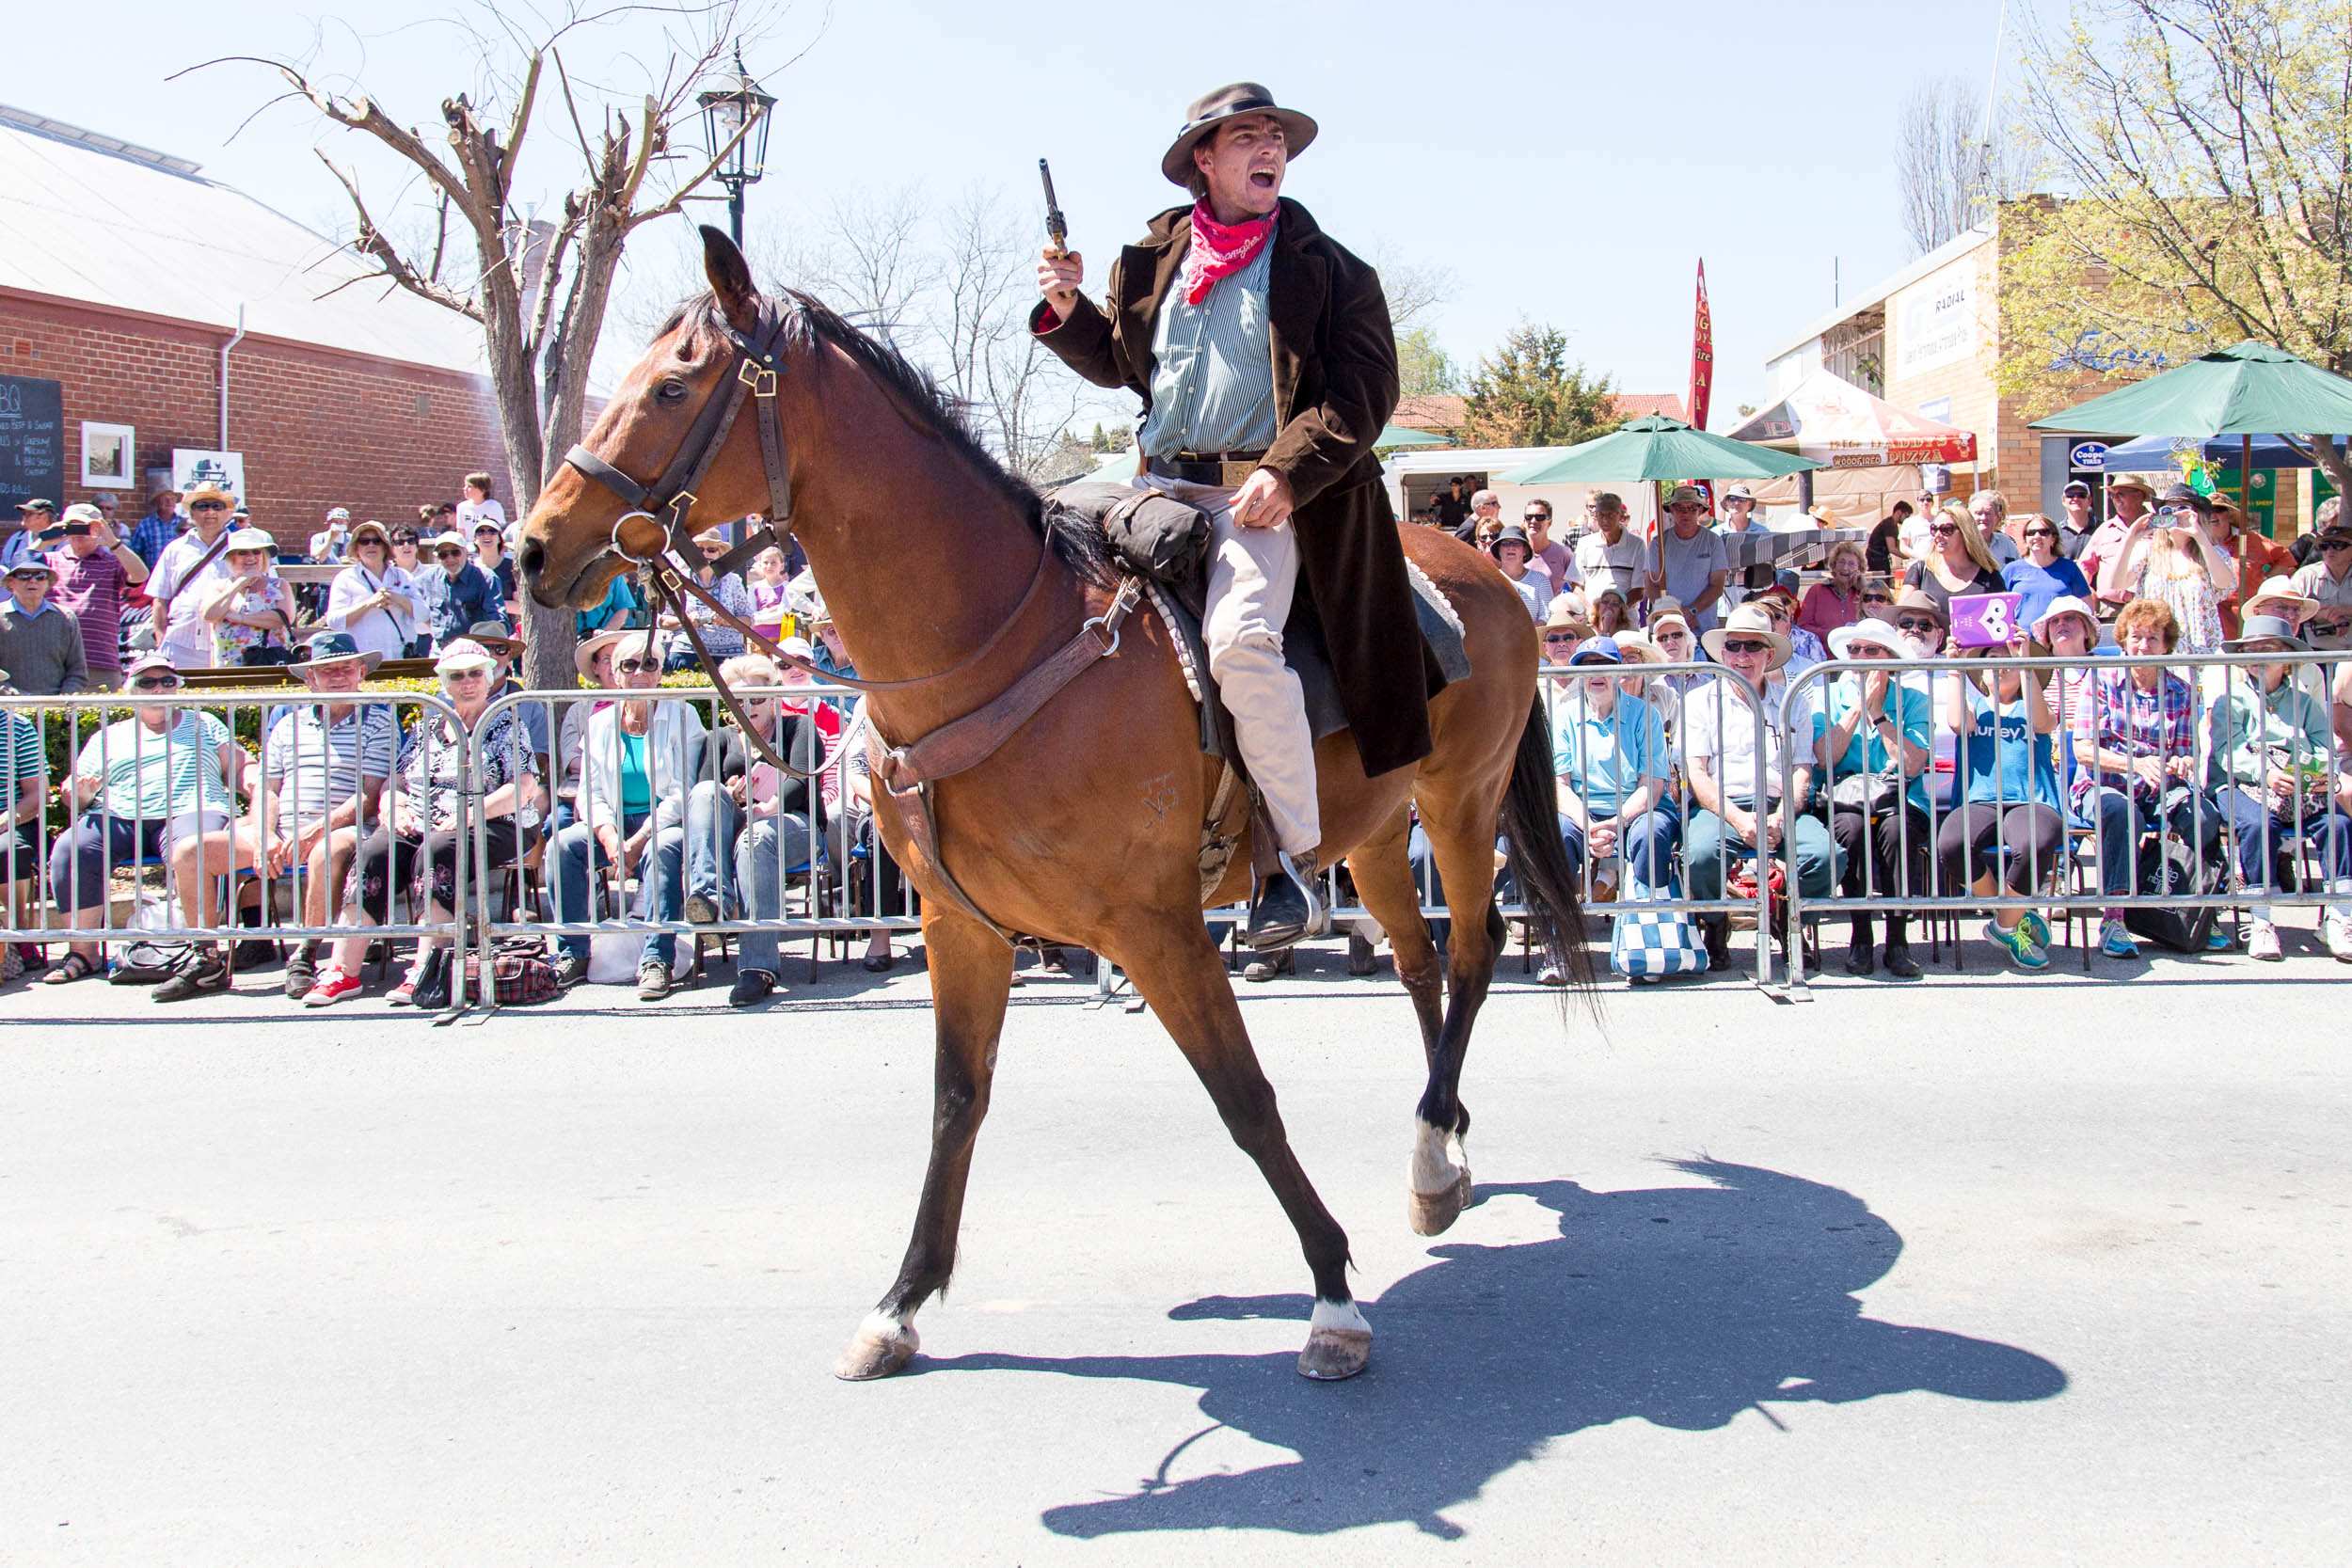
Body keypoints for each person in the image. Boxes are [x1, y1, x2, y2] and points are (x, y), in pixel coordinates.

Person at [1033, 80, 1424, 950]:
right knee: (1040, 564)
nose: (1269, 150)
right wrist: (1066, 313)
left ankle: (1290, 859)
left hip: (1265, 500)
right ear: (1202, 161)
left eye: (1275, 137)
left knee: (1241, 643)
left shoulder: (1335, 270)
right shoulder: (1148, 261)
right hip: (1155, 488)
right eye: (1246, 137)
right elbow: (1124, 368)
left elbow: (1366, 393)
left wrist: (1287, 474)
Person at [308, 641, 537, 1008]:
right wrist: (394, 807)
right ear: (445, 683)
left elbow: (523, 786)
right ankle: (342, 969)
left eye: (475, 673)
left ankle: (426, 965)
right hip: (422, 818)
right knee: (375, 851)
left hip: (492, 820)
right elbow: (395, 781)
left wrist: (467, 813)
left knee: (438, 851)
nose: (467, 683)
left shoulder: (506, 724)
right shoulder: (426, 728)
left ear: (489, 676)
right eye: (458, 676)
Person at [40, 652, 242, 989]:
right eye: (147, 682)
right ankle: (83, 952)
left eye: (167, 681)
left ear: (178, 686)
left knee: (197, 849)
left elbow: (237, 767)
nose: (158, 689)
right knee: (71, 848)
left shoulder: (205, 722)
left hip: (190, 808)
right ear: (130, 689)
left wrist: (257, 794)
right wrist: (80, 794)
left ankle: (203, 953)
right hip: (120, 813)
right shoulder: (109, 735)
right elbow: (75, 796)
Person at [240, 633, 401, 1000]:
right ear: (310, 678)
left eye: (346, 668)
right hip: (282, 826)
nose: (338, 676)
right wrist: (266, 834)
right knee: (193, 850)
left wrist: (313, 830)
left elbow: (369, 797)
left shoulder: (379, 722)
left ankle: (305, 953)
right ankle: (201, 955)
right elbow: (267, 788)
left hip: (349, 827)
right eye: (327, 670)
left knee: (324, 849)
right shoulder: (287, 724)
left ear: (361, 672)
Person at [548, 629, 706, 999]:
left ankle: (657, 959)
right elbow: (591, 792)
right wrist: (610, 837)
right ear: (614, 674)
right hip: (613, 824)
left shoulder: (683, 716)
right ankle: (572, 951)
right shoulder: (599, 723)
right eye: (629, 665)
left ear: (661, 672)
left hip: (663, 822)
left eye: (649, 664)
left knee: (663, 850)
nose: (639, 673)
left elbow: (682, 792)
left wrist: (637, 840)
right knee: (562, 846)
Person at [1680, 603, 1838, 969]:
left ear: (1769, 654)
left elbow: (1802, 769)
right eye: (1734, 646)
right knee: (1699, 855)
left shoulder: (1792, 700)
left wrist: (1781, 818)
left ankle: (1791, 920)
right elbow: (1698, 775)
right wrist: (1740, 821)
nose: (1741, 656)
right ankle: (1716, 926)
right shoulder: (1699, 702)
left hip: (1780, 805)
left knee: (1825, 856)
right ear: (1722, 653)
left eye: (1752, 647)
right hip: (1723, 805)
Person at [679, 652, 831, 1007]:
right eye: (739, 699)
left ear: (774, 697)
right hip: (736, 824)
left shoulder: (799, 729)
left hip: (794, 823)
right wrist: (732, 795)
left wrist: (767, 808)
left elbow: (804, 781)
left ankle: (757, 968)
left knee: (757, 838)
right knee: (706, 793)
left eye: (758, 698)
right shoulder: (719, 738)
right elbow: (706, 794)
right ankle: (713, 897)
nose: (750, 707)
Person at [2071, 596, 2217, 960]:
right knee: (2123, 814)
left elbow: (2185, 751)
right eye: (2136, 637)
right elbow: (2083, 749)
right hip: (2103, 784)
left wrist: (2180, 764)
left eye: (2152, 639)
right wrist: (2133, 764)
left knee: (2202, 815)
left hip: (2159, 786)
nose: (2142, 646)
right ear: (2122, 639)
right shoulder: (2101, 680)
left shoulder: (2180, 690)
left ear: (2166, 645)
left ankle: (2200, 911)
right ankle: (2114, 918)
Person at [2202, 614, 2352, 961]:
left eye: (2266, 648)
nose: (2257, 656)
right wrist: (2267, 774)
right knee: (2257, 824)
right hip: (2241, 783)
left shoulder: (2304, 701)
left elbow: (2323, 746)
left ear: (2286, 657)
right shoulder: (2231, 700)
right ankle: (2261, 920)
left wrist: (2305, 773)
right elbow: (2228, 752)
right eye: (2250, 650)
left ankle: (2339, 914)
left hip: (2298, 784)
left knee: (2339, 824)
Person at [1939, 635, 2064, 971]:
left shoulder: (2031, 704)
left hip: (2031, 799)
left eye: (2006, 656)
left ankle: (2005, 926)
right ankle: (2013, 913)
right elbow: (1956, 723)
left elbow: (2043, 723)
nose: (2000, 661)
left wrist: (2024, 661)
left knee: (2034, 842)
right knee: (1952, 843)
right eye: (1992, 656)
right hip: (1979, 798)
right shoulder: (1974, 706)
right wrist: (1954, 667)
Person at [1820, 616, 1932, 977]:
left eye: (1871, 650)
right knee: (1851, 831)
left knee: (1898, 831)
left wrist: (1879, 715)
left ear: (1889, 657)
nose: (1861, 657)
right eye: (1854, 650)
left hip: (1899, 793)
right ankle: (1861, 935)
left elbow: (1913, 764)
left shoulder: (1913, 700)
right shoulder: (1828, 694)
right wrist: (1857, 709)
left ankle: (1898, 939)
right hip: (1845, 794)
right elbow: (1825, 757)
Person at [1550, 636, 1678, 902]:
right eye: (1587, 665)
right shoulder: (1564, 716)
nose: (1596, 671)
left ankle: (1647, 924)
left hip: (1639, 809)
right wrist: (1588, 825)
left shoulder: (1646, 714)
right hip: (1582, 809)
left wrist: (1617, 821)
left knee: (1649, 835)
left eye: (1604, 664)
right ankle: (1558, 929)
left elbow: (1652, 786)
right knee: (1558, 833)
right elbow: (1559, 786)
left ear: (1619, 670)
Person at [2095, 483, 2236, 655]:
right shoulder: (2148, 550)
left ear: (2197, 514)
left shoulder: (2212, 552)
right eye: (2168, 510)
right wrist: (2130, 538)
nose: (2175, 514)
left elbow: (2224, 583)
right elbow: (2117, 583)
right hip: (2155, 647)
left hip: (2199, 648)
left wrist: (2199, 535)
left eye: (2182, 509)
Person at [41, 502, 147, 689]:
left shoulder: (112, 561)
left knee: (105, 716)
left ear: (98, 528)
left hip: (100, 660)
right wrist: (45, 538)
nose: (79, 532)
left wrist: (113, 542)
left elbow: (141, 575)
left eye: (85, 526)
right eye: (73, 526)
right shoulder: (49, 560)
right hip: (54, 661)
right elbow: (18, 576)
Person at [147, 481, 246, 670]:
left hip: (231, 641)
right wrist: (161, 638)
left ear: (227, 513)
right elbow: (160, 599)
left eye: (217, 506)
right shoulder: (175, 549)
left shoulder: (242, 548)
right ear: (191, 513)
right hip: (179, 643)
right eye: (202, 506)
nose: (210, 512)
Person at [320, 520, 421, 665]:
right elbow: (335, 622)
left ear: (386, 546)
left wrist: (397, 599)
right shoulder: (345, 578)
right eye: (364, 541)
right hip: (362, 661)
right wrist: (369, 604)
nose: (371, 545)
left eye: (377, 541)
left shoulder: (403, 576)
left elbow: (423, 614)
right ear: (356, 548)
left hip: (400, 657)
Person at [658, 531, 755, 670]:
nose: (705, 554)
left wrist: (728, 620)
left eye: (711, 550)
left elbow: (749, 619)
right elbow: (662, 620)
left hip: (730, 658)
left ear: (718, 553)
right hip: (687, 652)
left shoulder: (733, 581)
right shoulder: (678, 580)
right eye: (699, 550)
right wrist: (686, 620)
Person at [199, 527, 295, 668]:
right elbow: (209, 615)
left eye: (256, 552)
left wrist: (237, 617)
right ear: (232, 557)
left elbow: (282, 619)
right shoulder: (218, 587)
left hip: (270, 661)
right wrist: (238, 584)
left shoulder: (279, 585)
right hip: (228, 663)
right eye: (243, 553)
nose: (251, 557)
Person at [2210, 495, 2296, 640]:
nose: (2212, 514)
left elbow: (2286, 559)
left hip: (2246, 613)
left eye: (2218, 509)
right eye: (2206, 510)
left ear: (2229, 515)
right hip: (2213, 615)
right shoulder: (2197, 544)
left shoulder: (2251, 540)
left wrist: (2266, 583)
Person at [1902, 501, 2005, 620]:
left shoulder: (1989, 575)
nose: (1938, 535)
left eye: (1946, 529)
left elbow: (2002, 620)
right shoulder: (1920, 571)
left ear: (1965, 532)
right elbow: (1901, 619)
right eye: (1934, 529)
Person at [0, 559, 89, 696]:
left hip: (56, 708)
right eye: (24, 575)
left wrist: (64, 699)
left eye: (40, 575)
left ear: (48, 583)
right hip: (9, 708)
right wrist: (8, 692)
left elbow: (77, 671)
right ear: (10, 582)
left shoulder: (66, 618)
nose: (33, 581)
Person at [1649, 485, 1730, 631]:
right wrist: (1673, 613)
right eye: (1680, 508)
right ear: (1672, 510)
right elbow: (1651, 584)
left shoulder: (1713, 541)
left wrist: (1692, 611)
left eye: (1692, 508)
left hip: (1704, 629)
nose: (1686, 513)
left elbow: (1717, 585)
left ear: (1700, 510)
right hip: (1668, 628)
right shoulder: (1658, 543)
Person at [2000, 513, 2093, 634]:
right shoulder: (2012, 570)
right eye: (2031, 533)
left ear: (2053, 539)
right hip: (2024, 641)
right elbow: (1998, 607)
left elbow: (2087, 607)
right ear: (2026, 539)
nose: (2037, 536)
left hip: (2060, 641)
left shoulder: (2069, 568)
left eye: (2043, 532)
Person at [2080, 474, 2156, 610]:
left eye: (2121, 494)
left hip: (2149, 607)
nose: (2115, 499)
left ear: (2139, 496)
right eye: (2113, 495)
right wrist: (2087, 591)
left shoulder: (2157, 527)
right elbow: (2085, 566)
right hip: (2109, 608)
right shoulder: (2105, 529)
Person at [419, 531, 503, 648]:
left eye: (455, 552)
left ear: (466, 552)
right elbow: (411, 599)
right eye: (443, 554)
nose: (450, 558)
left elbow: (498, 621)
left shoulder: (486, 578)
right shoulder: (429, 578)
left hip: (474, 650)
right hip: (440, 650)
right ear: (437, 557)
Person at [1573, 491, 1645, 606]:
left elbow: (1639, 590)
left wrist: (1616, 611)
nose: (1605, 519)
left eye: (1611, 515)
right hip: (1591, 619)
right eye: (1601, 515)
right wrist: (1591, 611)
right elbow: (1576, 585)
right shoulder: (1584, 543)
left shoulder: (1637, 545)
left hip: (1625, 619)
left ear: (1621, 516)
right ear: (1596, 515)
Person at [1744, 582, 1825, 674]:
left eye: (1776, 616)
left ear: (1788, 619)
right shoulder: (1747, 643)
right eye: (1765, 614)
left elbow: (1820, 678)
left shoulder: (1809, 642)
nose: (1770, 620)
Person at [1797, 542, 1867, 641]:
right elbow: (1802, 627)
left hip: (1857, 652)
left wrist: (1865, 589)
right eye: (1841, 562)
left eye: (1851, 564)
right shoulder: (1817, 591)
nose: (1845, 568)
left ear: (1859, 569)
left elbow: (1877, 624)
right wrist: (1829, 633)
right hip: (1823, 652)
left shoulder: (1864, 594)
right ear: (1834, 565)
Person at [2290, 510, 2352, 620]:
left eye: (2338, 545)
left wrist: (2345, 611)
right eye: (2324, 545)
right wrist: (2324, 615)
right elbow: (2289, 611)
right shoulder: (2305, 576)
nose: (2330, 550)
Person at [1718, 484, 1775, 602]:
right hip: (1723, 596)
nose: (1736, 503)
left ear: (1749, 505)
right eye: (1732, 499)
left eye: (1742, 499)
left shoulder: (1763, 533)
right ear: (1727, 503)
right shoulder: (1715, 533)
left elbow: (1769, 565)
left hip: (1755, 592)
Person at [1486, 524, 1548, 621]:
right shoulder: (1490, 581)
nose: (1511, 547)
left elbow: (1547, 616)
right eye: (1505, 544)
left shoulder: (1540, 580)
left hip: (1534, 635)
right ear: (1499, 550)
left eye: (1516, 543)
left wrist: (1525, 633)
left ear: (1525, 551)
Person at [1520, 499, 1569, 598]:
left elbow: (1577, 586)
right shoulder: (1515, 553)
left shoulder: (1564, 554)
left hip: (1553, 612)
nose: (1533, 521)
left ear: (1549, 522)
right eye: (1529, 517)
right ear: (1524, 521)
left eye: (1540, 517)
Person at [127, 485, 184, 567]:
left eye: (172, 499)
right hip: (154, 574)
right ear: (157, 502)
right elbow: (135, 553)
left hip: (180, 574)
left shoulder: (184, 524)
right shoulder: (145, 525)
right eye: (165, 499)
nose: (169, 502)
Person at [472, 519, 518, 621]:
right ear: (475, 540)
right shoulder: (469, 568)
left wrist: (491, 604)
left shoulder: (512, 567)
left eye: (492, 531)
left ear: (499, 539)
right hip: (474, 628)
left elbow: (520, 607)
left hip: (506, 630)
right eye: (481, 532)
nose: (486, 535)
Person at [1967, 488, 2023, 566]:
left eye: (1988, 513)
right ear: (1969, 516)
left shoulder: (2006, 543)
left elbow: (2019, 570)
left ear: (1996, 516)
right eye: (1979, 513)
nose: (1983, 518)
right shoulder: (1962, 544)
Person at [2052, 479, 2100, 561]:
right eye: (2070, 495)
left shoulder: (2102, 529)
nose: (2076, 498)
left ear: (2089, 500)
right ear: (2063, 500)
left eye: (2081, 495)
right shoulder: (2054, 532)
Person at [454, 471, 507, 541]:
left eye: (469, 486)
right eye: (465, 485)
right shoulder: (462, 507)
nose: (465, 489)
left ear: (482, 489)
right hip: (469, 547)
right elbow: (461, 531)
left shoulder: (495, 506)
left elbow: (501, 531)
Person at [1867, 501, 1912, 578]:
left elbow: (1898, 547)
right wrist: (1909, 556)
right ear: (1899, 512)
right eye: (1906, 516)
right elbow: (1892, 549)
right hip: (1876, 558)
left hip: (1880, 558)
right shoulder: (1889, 525)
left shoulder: (1893, 525)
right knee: (1881, 583)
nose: (1906, 520)